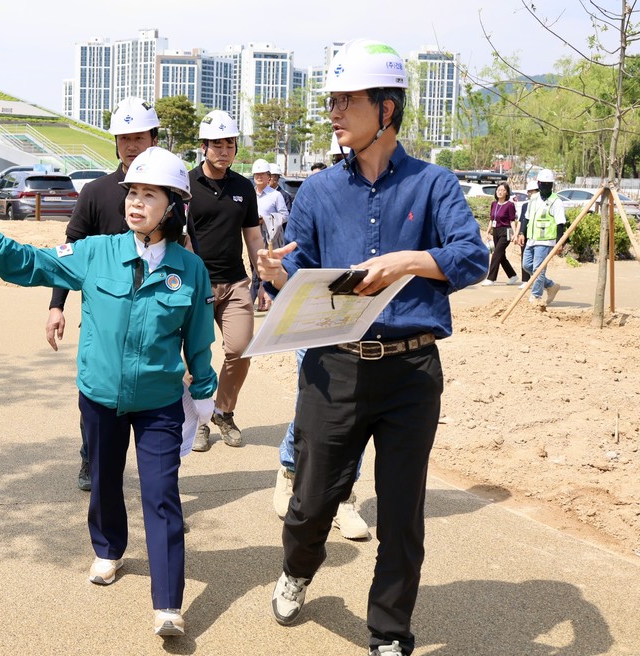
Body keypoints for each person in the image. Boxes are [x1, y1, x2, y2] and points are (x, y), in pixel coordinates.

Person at [256, 39, 487, 656]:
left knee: (403, 512)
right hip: (332, 368)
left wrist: (408, 261)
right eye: (331, 100)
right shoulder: (317, 192)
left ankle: (389, 631)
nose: (334, 112)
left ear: (387, 109)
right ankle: (297, 569)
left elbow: (472, 257)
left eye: (347, 100)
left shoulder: (435, 184)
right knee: (311, 500)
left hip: (412, 371)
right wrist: (275, 274)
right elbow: (299, 270)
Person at [0, 146, 217, 638]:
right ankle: (109, 549)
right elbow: (36, 265)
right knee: (104, 479)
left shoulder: (190, 269)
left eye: (149, 195)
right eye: (132, 193)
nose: (136, 203)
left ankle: (167, 605)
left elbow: (199, 338)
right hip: (100, 395)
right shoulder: (97, 252)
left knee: (162, 495)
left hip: (160, 401)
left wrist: (203, 390)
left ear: (173, 207)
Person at [45, 97, 160, 492]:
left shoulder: (172, 193)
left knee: (156, 393)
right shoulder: (95, 192)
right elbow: (69, 254)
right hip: (103, 314)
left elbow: (186, 252)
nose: (132, 145)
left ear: (154, 139)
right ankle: (90, 456)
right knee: (96, 390)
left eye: (139, 137)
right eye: (124, 138)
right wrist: (56, 306)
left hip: (156, 313)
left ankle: (156, 473)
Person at [187, 109, 263, 452]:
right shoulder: (186, 184)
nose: (224, 151)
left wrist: (263, 278)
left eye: (229, 144)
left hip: (234, 283)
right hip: (196, 284)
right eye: (216, 145)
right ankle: (200, 419)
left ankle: (223, 411)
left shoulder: (244, 187)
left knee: (241, 349)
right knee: (196, 356)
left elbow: (253, 237)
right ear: (203, 147)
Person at [272, 346, 370, 540]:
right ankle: (291, 470)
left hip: (361, 338)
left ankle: (342, 497)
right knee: (312, 410)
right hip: (316, 333)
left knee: (356, 409)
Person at [517, 168, 565, 309]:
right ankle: (550, 285)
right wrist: (522, 233)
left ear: (552, 185)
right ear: (538, 184)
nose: (545, 186)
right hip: (532, 238)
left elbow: (560, 223)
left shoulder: (556, 201)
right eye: (543, 184)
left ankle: (536, 296)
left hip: (546, 240)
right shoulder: (533, 199)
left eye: (548, 184)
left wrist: (559, 243)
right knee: (527, 266)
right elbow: (526, 218)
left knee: (539, 268)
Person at [250, 158, 288, 312]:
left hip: (269, 238)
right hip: (251, 237)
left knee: (265, 271)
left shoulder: (276, 195)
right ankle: (257, 303)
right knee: (254, 269)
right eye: (256, 174)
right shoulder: (249, 194)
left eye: (262, 174)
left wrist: (266, 219)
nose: (259, 177)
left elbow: (285, 215)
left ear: (268, 176)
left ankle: (258, 303)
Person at [480, 182, 519, 286]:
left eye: (503, 190)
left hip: (506, 231)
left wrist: (515, 234)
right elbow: (491, 219)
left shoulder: (510, 205)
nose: (500, 192)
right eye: (498, 190)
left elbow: (512, 221)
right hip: (496, 231)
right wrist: (488, 232)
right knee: (501, 256)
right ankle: (512, 275)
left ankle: (491, 279)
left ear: (507, 193)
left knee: (496, 254)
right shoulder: (494, 204)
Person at [514, 177, 539, 289]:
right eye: (529, 192)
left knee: (537, 259)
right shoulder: (525, 205)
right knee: (525, 257)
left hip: (537, 235)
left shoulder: (542, 205)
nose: (531, 194)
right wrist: (518, 234)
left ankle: (537, 280)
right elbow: (521, 221)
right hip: (525, 235)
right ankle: (525, 280)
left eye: (533, 191)